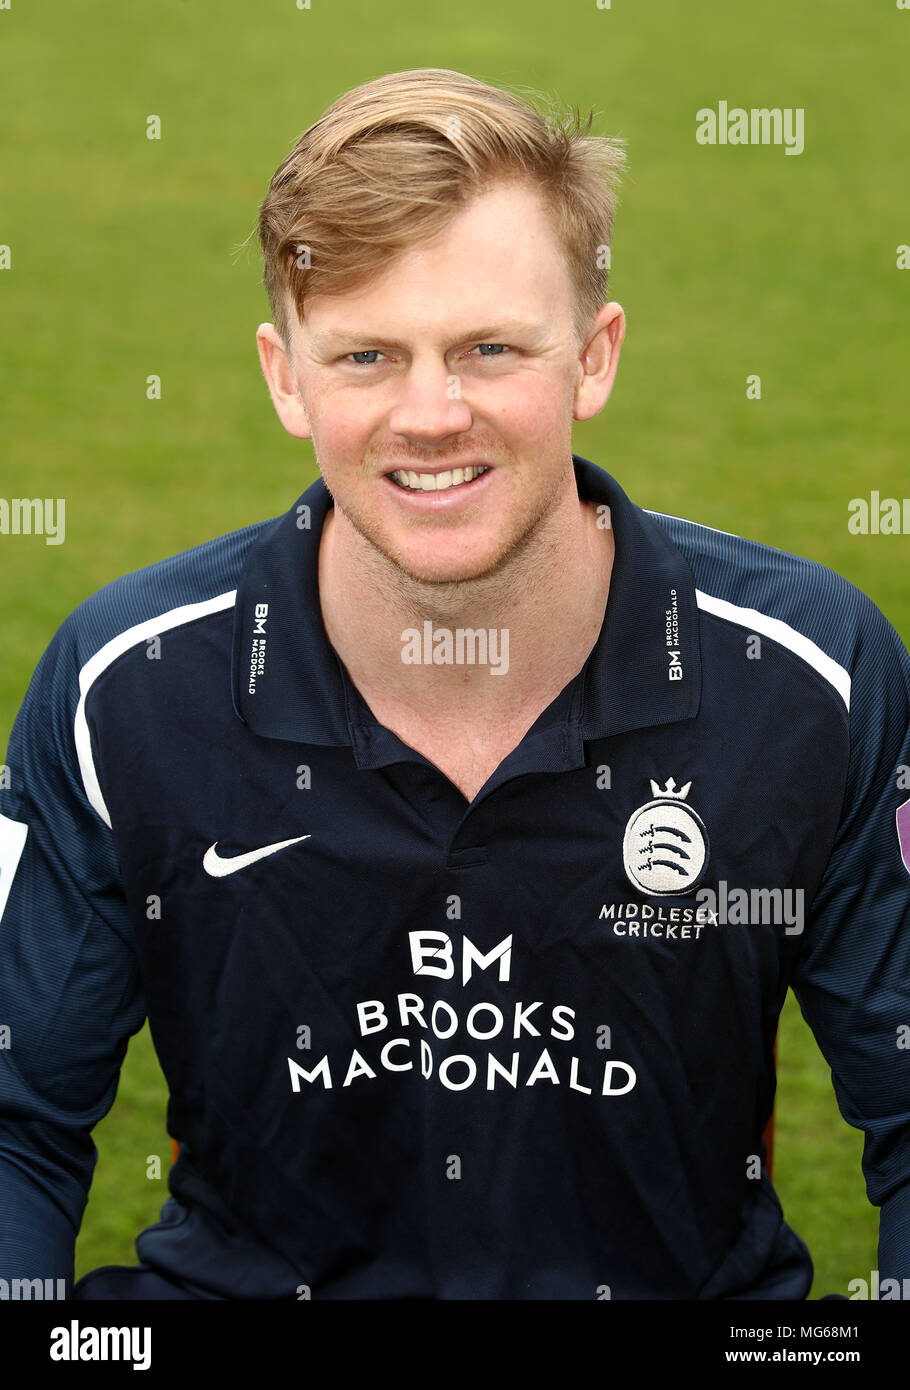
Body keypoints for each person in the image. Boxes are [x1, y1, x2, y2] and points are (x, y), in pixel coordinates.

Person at [1, 66, 908, 1302]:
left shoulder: (812, 677)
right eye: (366, 354)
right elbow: (15, 1123)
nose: (431, 414)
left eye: (489, 348)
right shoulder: (125, 686)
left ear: (593, 357)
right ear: (285, 375)